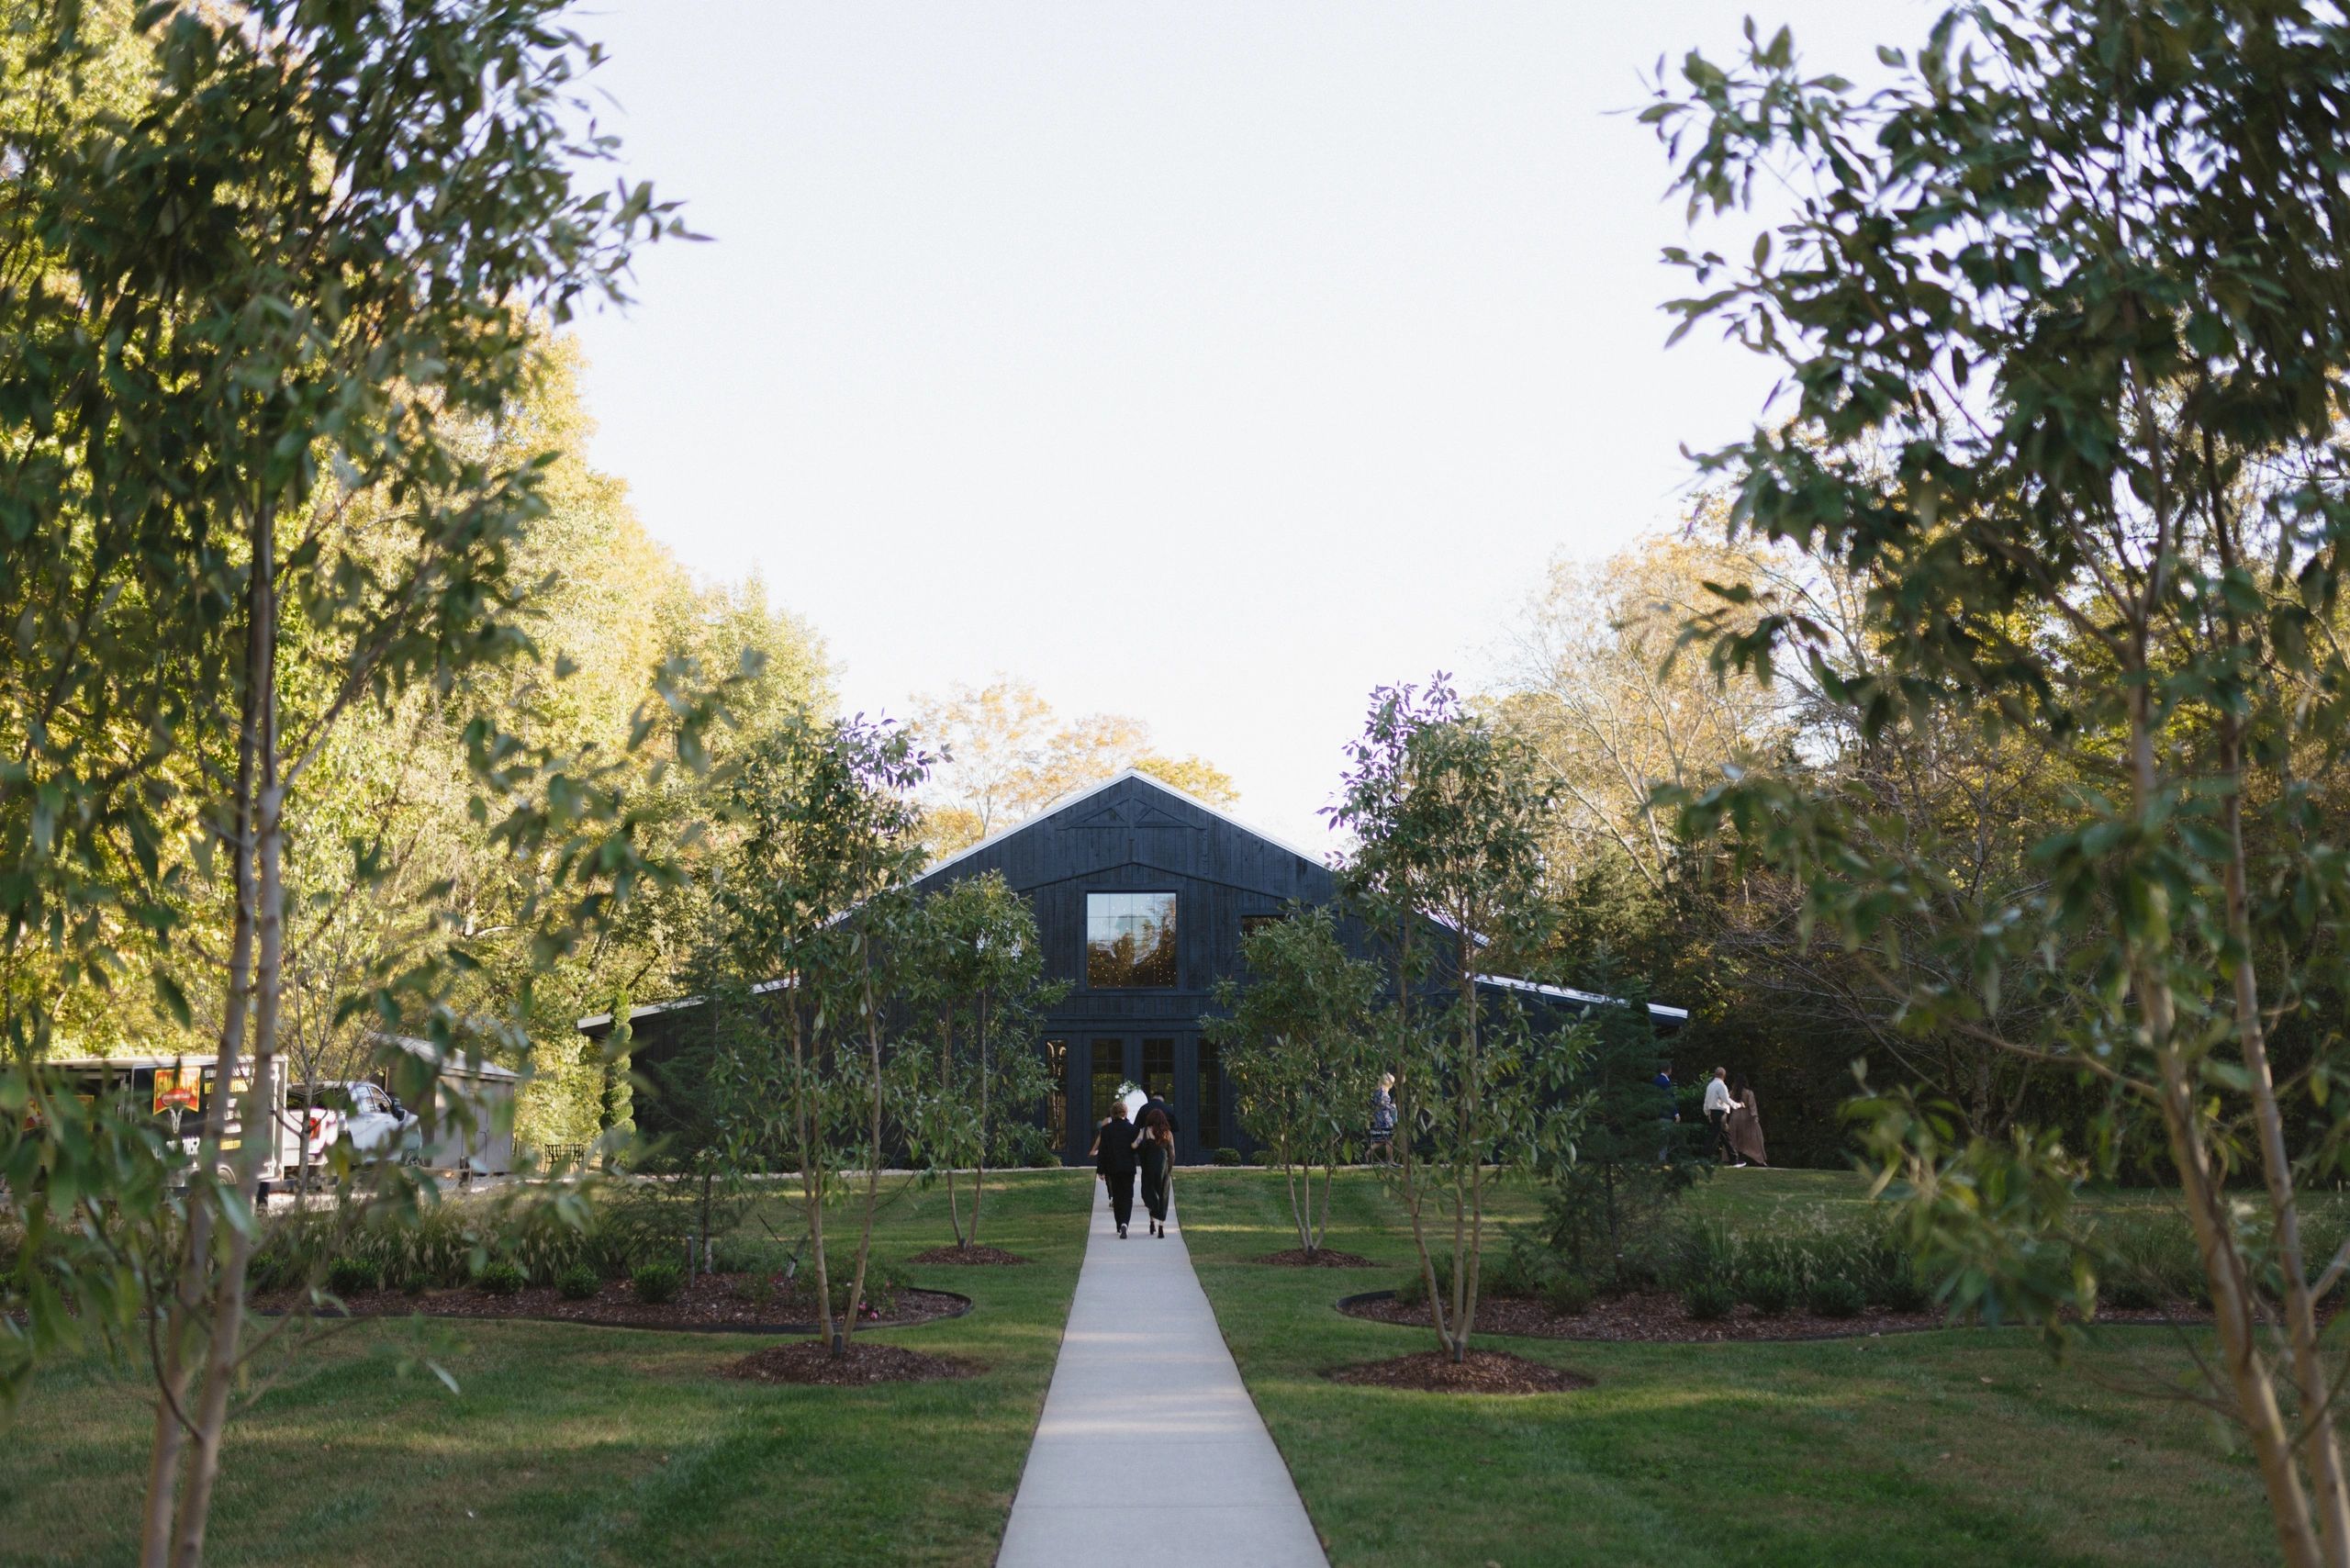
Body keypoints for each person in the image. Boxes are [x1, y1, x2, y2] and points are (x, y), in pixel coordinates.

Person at [1090, 1098, 1140, 1238]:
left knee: (1117, 1196)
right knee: (1128, 1196)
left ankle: (1119, 1224)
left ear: (1112, 1113)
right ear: (1125, 1113)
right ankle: (1125, 1223)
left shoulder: (1106, 1130)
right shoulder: (1133, 1129)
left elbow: (1103, 1152)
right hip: (1128, 1167)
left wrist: (1100, 1170)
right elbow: (1136, 1149)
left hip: (1113, 1167)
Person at [1133, 1105, 1175, 1238]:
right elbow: (1172, 1153)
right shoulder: (1168, 1133)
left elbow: (1134, 1145)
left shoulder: (1144, 1131)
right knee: (1163, 1195)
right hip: (1163, 1169)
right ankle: (1161, 1227)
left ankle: (1152, 1222)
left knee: (1150, 1194)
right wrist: (1169, 1169)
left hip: (1148, 1168)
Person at [1703, 1067, 1742, 1165]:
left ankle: (1734, 1159)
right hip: (1720, 1114)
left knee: (1725, 1137)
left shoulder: (1710, 1085)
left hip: (1713, 1113)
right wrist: (1738, 1105)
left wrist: (1707, 1113)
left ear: (1715, 1074)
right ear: (1724, 1076)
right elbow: (1726, 1100)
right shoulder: (1721, 1085)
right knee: (1714, 1137)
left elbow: (1706, 1102)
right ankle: (1706, 1160)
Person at [1727, 1076, 1768, 1168]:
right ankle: (1759, 1159)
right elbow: (1752, 1106)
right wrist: (1755, 1117)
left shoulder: (1733, 1093)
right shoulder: (1748, 1093)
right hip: (1746, 1117)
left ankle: (1733, 1158)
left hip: (1735, 1117)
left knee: (1734, 1138)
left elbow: (1727, 1102)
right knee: (1753, 1139)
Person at [1367, 1072, 1397, 1164]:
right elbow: (1383, 1106)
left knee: (1383, 1140)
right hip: (1385, 1119)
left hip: (1378, 1118)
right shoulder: (1383, 1093)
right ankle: (1390, 1160)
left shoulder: (1376, 1091)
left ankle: (1368, 1153)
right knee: (1388, 1141)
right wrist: (1393, 1107)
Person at [1655, 1061, 1679, 1164]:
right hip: (1665, 1114)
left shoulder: (1655, 1080)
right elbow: (1670, 1099)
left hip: (1656, 1113)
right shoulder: (1666, 1082)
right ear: (1669, 1070)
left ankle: (1661, 1158)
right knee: (1664, 1137)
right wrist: (1676, 1113)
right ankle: (1662, 1159)